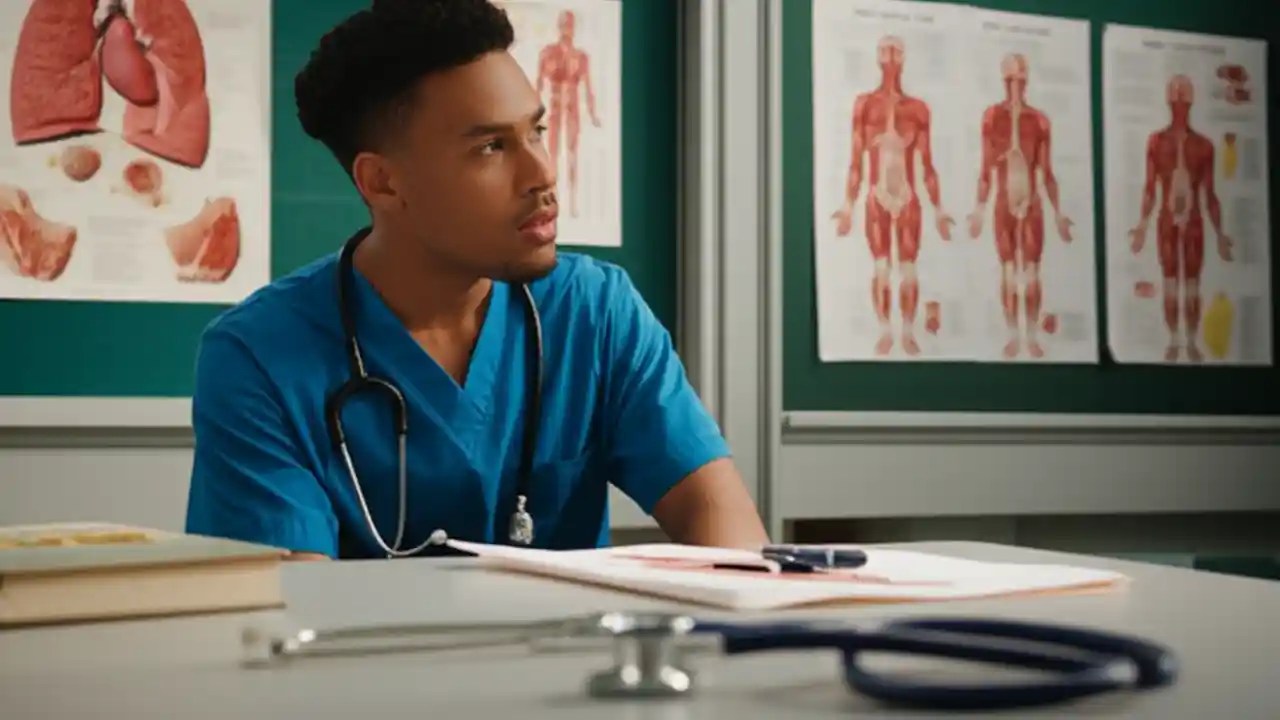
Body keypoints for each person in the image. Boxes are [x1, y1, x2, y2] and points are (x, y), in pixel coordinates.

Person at [183, 0, 768, 560]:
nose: (542, 173)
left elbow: (728, 530)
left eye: (536, 131)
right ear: (384, 183)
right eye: (491, 147)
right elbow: (286, 611)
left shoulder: (595, 312)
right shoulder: (258, 355)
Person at [830, 35, 953, 358]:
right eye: (885, 51)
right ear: (877, 58)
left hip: (908, 196)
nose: (891, 58)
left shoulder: (918, 109)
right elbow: (855, 160)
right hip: (877, 195)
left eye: (897, 51)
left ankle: (909, 331)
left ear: (904, 59)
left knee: (909, 269)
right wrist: (847, 205)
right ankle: (886, 330)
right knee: (882, 268)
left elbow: (928, 164)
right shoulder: (864, 105)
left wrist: (939, 208)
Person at [966, 53, 1073, 360]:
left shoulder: (1038, 120)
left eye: (1020, 78)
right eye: (1011, 79)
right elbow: (986, 169)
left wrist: (1058, 214)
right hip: (1003, 201)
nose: (1016, 84)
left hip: (1032, 202)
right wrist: (979, 209)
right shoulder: (992, 117)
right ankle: (1014, 336)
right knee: (1009, 272)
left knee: (1033, 272)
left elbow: (1047, 172)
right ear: (1004, 79)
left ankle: (1033, 336)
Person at [1129, 74, 1233, 363]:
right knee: (1172, 283)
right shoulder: (1156, 141)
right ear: (1168, 101)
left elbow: (1210, 194)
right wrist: (1142, 226)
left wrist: (1221, 234)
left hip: (1194, 222)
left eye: (1182, 99)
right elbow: (1150, 189)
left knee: (1192, 286)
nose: (1178, 105)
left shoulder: (1203, 146)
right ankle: (1176, 339)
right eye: (1175, 99)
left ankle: (1190, 341)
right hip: (1166, 220)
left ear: (1190, 102)